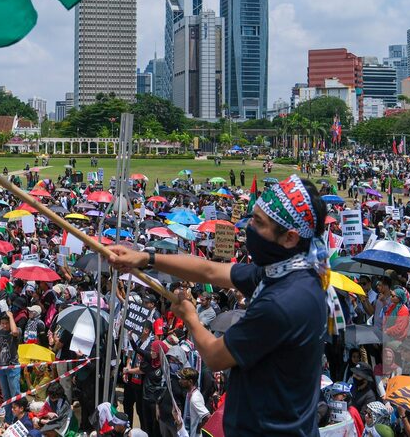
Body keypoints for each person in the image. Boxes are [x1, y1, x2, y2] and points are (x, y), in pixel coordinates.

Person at [110, 174, 329, 436]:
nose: (248, 227)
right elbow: (211, 270)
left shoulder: (285, 301)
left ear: (290, 238)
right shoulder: (286, 270)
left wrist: (190, 317)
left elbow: (215, 356)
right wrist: (145, 258)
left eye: (259, 223)